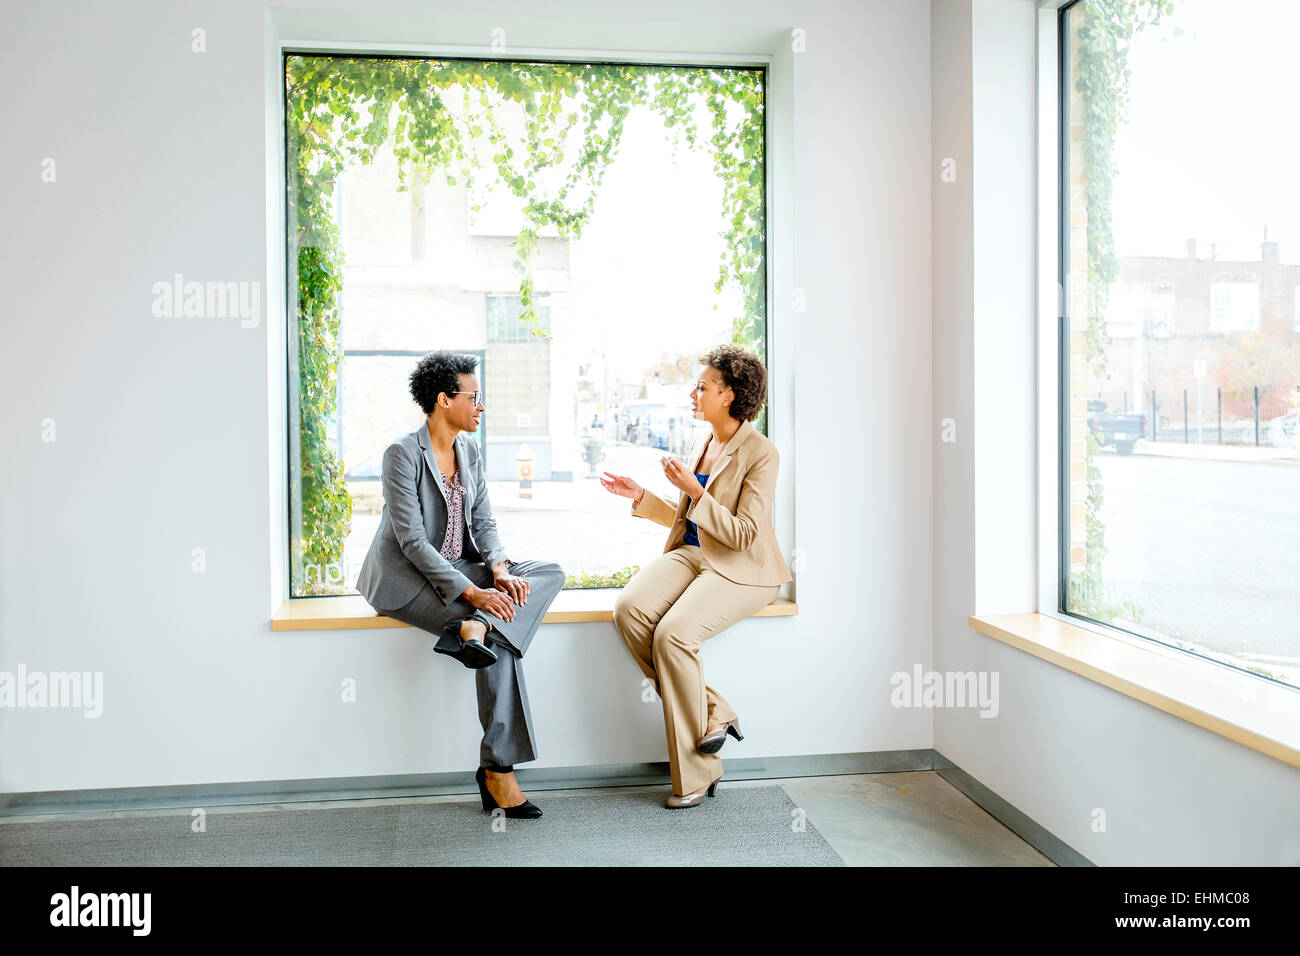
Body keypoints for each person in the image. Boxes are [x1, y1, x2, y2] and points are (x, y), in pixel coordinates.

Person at [357, 351, 565, 819]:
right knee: (503, 642)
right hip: (410, 582)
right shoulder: (402, 454)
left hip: (463, 567)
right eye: (473, 397)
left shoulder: (470, 450)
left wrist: (499, 569)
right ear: (443, 399)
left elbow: (484, 520)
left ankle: (477, 627)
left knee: (548, 572)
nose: (481, 406)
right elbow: (411, 541)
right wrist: (473, 594)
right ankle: (498, 771)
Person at [600, 345, 792, 808]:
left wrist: (693, 491)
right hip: (692, 553)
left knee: (672, 636)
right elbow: (689, 521)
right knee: (628, 611)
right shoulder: (701, 442)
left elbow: (743, 534)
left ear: (729, 395)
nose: (694, 392)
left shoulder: (761, 453)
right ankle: (714, 710)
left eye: (703, 386)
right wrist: (644, 495)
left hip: (742, 567)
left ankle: (697, 775)